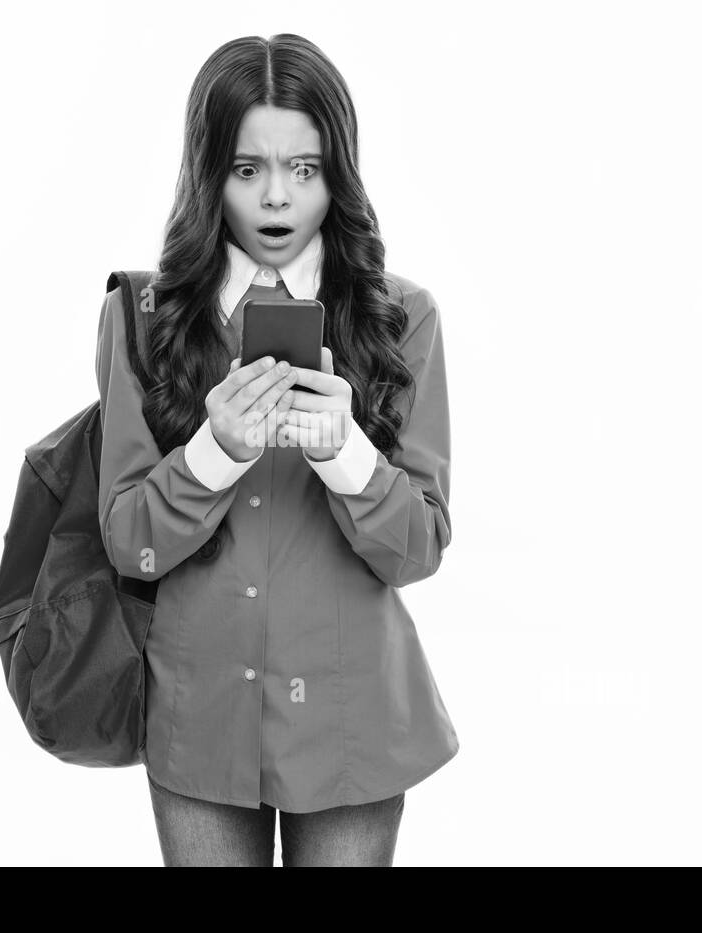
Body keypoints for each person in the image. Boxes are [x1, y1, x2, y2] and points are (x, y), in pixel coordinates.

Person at [94, 33, 458, 866]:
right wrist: (214, 450)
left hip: (353, 721)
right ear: (207, 172)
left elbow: (419, 551)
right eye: (247, 168)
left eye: (305, 168)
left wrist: (348, 458)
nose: (276, 199)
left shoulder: (405, 318)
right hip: (199, 719)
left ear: (339, 173)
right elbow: (129, 541)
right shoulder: (141, 318)